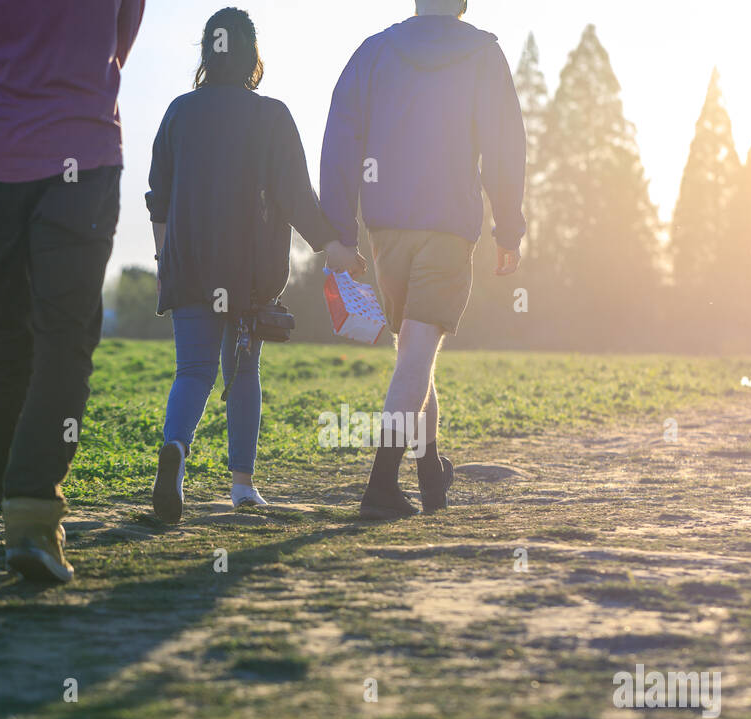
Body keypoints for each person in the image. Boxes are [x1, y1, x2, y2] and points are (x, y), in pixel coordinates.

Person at [0, 0, 145, 582]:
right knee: (65, 335)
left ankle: (17, 503)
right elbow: (123, 29)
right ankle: (30, 510)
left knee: (7, 336)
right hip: (79, 143)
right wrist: (81, 75)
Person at [146, 7, 363, 523]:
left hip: (189, 262)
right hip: (245, 271)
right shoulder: (272, 116)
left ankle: (175, 448)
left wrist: (163, 257)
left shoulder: (178, 111)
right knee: (242, 371)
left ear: (207, 54)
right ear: (251, 55)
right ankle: (242, 487)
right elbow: (295, 196)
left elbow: (159, 197)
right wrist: (333, 245)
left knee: (192, 372)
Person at [320, 0, 526, 519]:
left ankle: (429, 466)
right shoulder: (483, 54)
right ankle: (381, 485)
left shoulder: (373, 52)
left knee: (414, 349)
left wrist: (339, 231)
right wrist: (509, 226)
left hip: (385, 226)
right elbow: (505, 146)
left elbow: (339, 141)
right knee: (415, 354)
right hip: (448, 225)